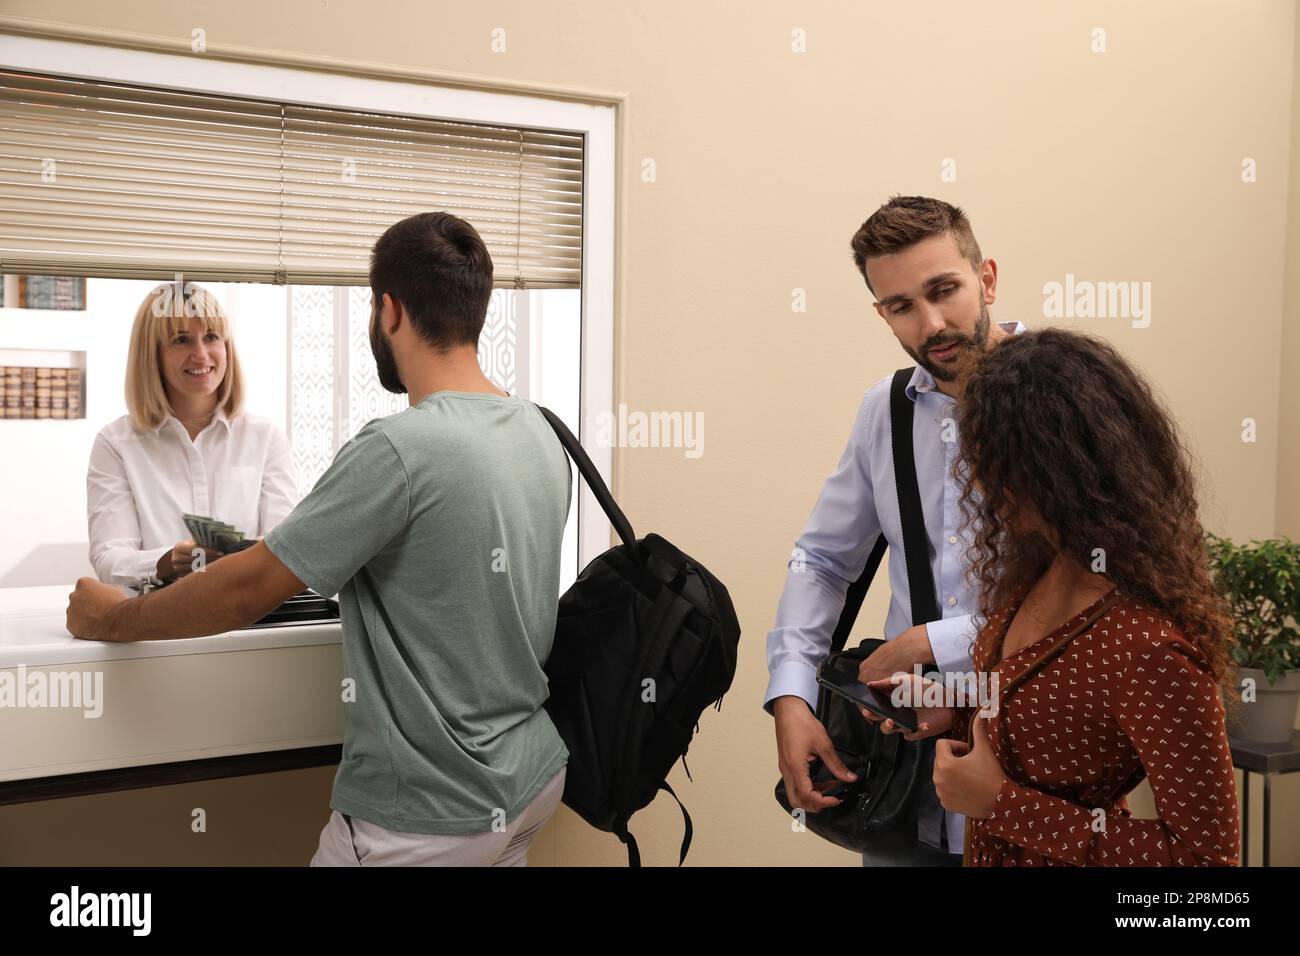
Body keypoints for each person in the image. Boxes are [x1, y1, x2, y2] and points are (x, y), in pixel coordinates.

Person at [66, 211, 573, 867]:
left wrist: (116, 619)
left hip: (428, 812)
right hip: (528, 781)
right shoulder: (541, 432)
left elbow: (250, 587)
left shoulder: (397, 449)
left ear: (388, 312)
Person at [873, 328, 1240, 866]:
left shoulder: (1149, 649)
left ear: (1062, 473)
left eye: (997, 466)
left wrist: (1001, 805)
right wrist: (951, 710)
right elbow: (1046, 721)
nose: (982, 485)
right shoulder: (1040, 571)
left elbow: (1209, 866)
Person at [765, 195, 1023, 865]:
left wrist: (928, 642)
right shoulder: (883, 411)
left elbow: (1095, 592)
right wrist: (793, 691)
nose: (932, 323)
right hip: (905, 791)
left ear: (987, 278)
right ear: (882, 313)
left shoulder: (1061, 398)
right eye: (902, 306)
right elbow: (822, 561)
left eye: (945, 291)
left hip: (1029, 776)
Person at [86, 282, 299, 588]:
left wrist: (262, 554)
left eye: (211, 337)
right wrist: (167, 561)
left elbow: (287, 544)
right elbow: (110, 558)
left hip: (250, 613)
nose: (201, 355)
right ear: (153, 354)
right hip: (157, 618)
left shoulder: (266, 438)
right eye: (181, 340)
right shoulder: (115, 444)